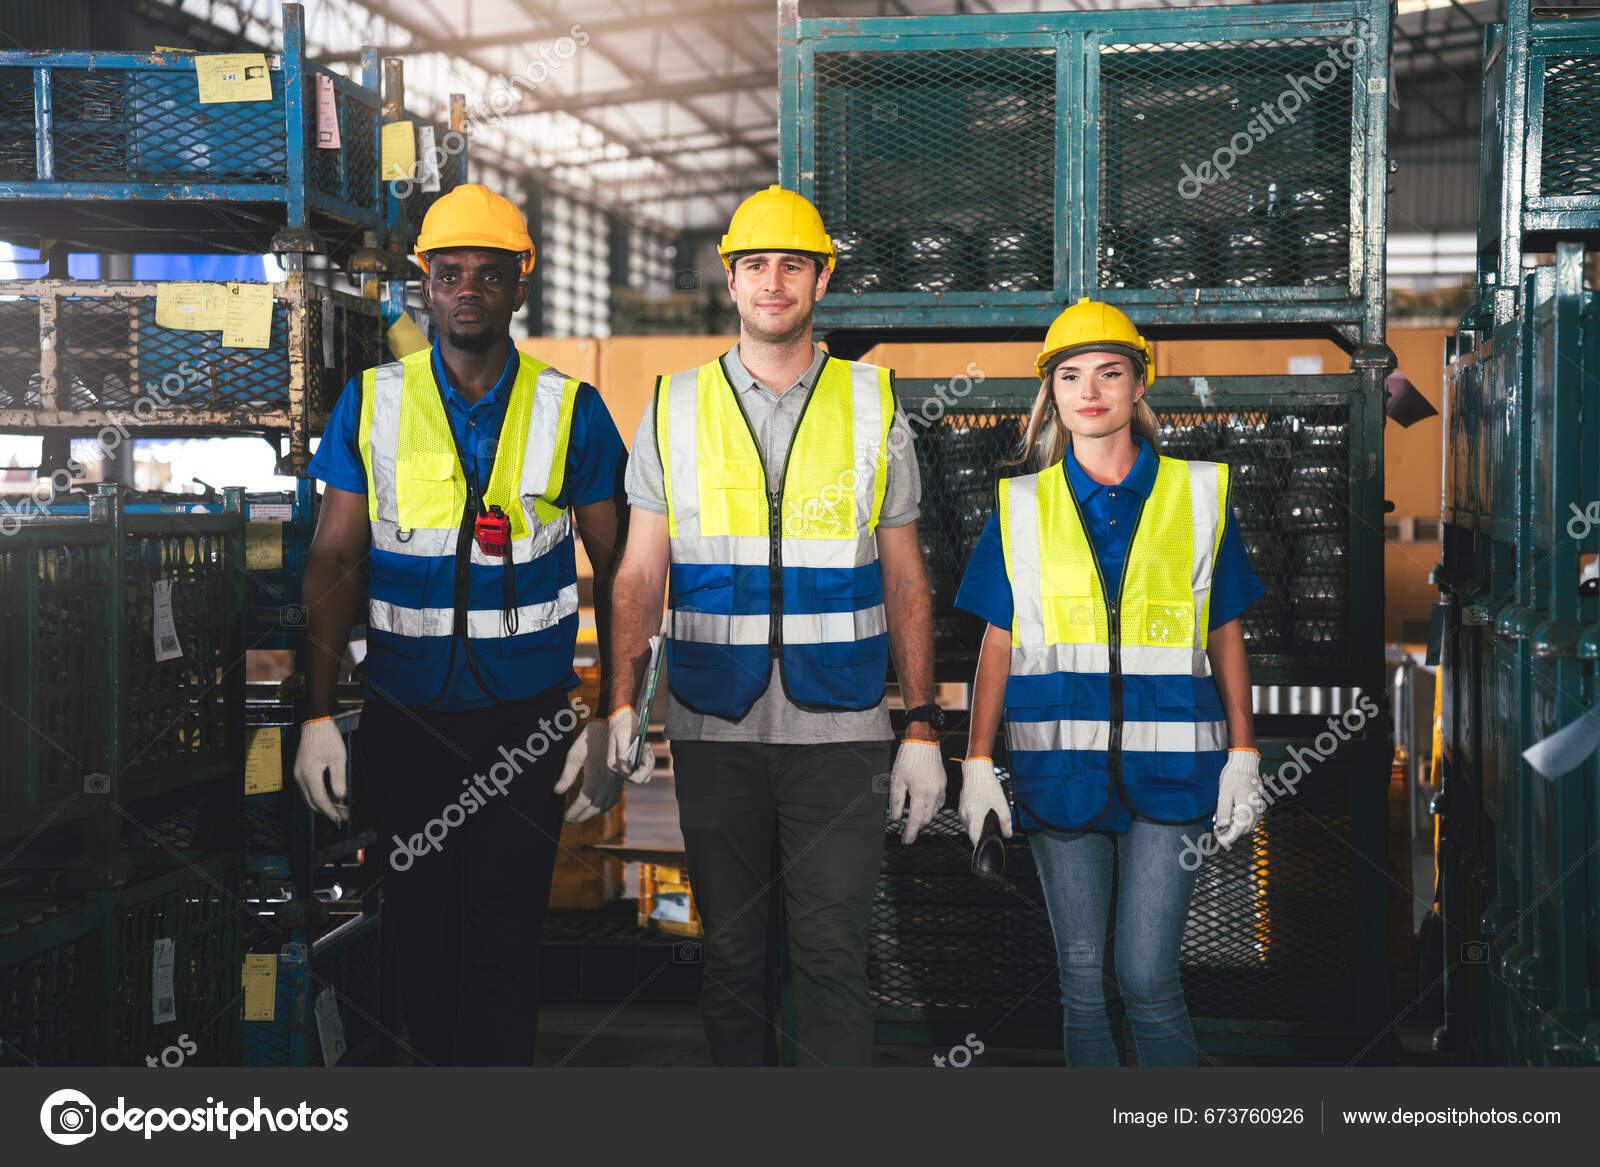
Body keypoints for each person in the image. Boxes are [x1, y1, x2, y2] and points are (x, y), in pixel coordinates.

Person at [291, 183, 644, 1066]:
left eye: (490, 273)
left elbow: (624, 570)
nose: (468, 290)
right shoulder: (372, 401)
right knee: (421, 936)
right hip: (406, 717)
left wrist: (616, 714)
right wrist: (317, 714)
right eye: (450, 273)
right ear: (426, 283)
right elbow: (333, 559)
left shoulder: (571, 410)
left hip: (525, 722)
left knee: (502, 943)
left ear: (521, 282)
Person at [602, 185, 947, 1066]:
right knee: (732, 959)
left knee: (832, 957)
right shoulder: (674, 405)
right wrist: (622, 701)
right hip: (716, 728)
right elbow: (639, 570)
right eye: (755, 264)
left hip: (842, 733)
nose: (773, 282)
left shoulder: (873, 403)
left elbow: (905, 574)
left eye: (793, 265)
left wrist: (921, 723)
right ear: (730, 279)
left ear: (822, 280)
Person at [953, 297, 1265, 1066]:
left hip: (1176, 768)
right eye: (1070, 376)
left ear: (1139, 384)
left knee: (1147, 976)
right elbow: (999, 640)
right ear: (1051, 392)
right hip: (1060, 768)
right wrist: (977, 759)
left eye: (1109, 373)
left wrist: (1244, 751)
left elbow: (1224, 628)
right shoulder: (1020, 506)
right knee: (1083, 982)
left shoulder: (1198, 494)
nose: (1089, 391)